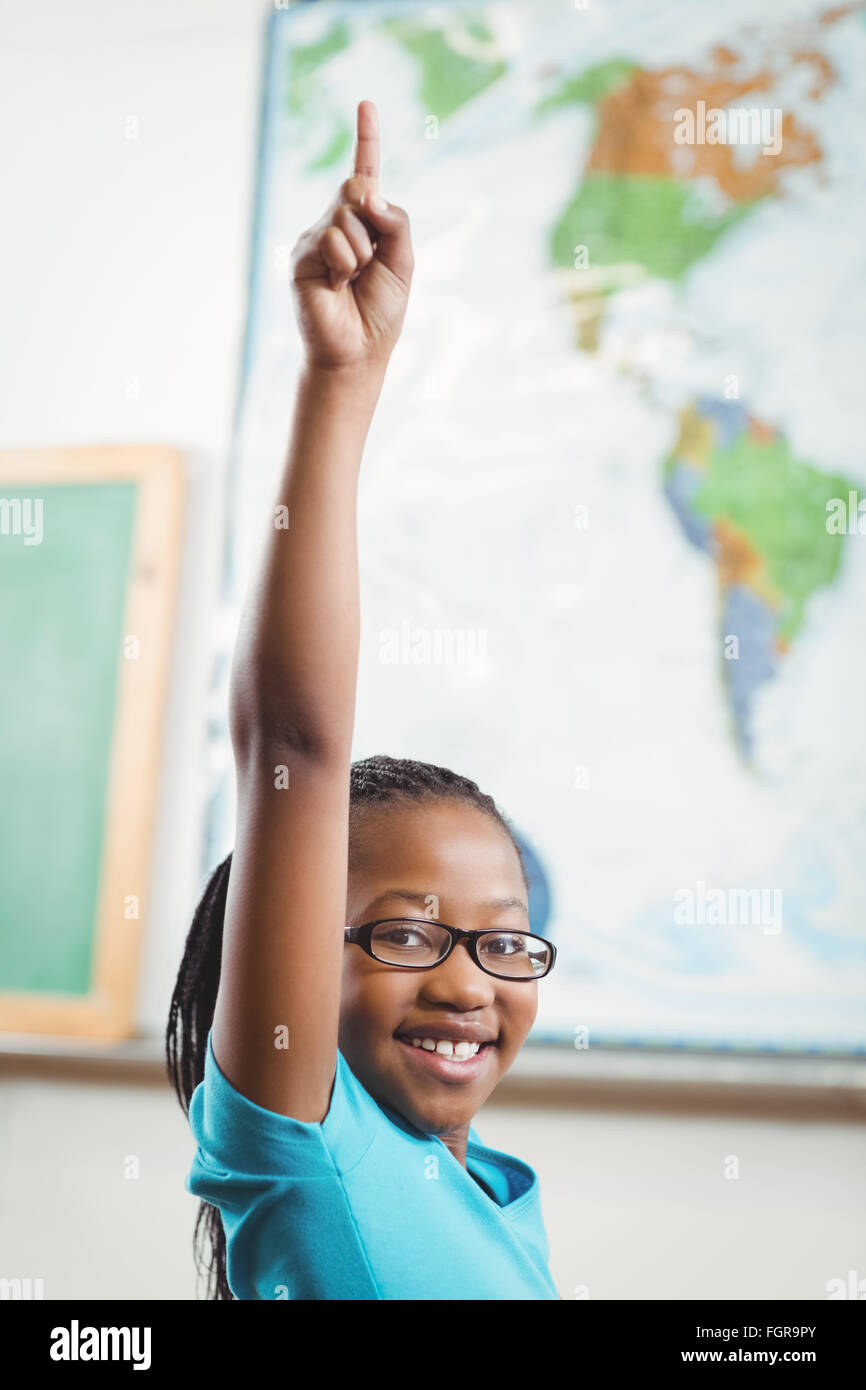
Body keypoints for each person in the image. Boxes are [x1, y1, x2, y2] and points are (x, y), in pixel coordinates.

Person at [167, 99, 560, 1301]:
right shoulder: (305, 1150)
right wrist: (341, 377)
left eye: (503, 941)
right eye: (403, 934)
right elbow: (294, 738)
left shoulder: (486, 1188)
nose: (466, 984)